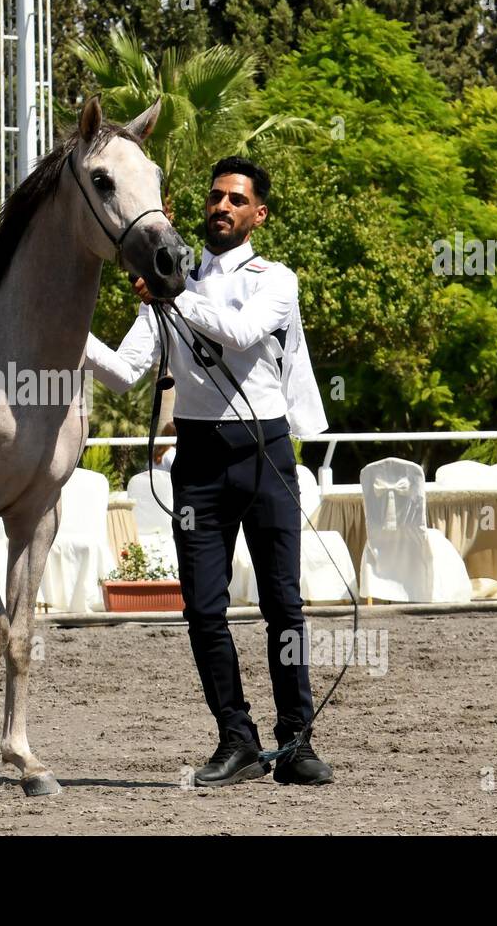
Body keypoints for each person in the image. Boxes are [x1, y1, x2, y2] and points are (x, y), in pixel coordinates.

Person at [84, 156, 333, 787]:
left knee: (283, 604)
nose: (221, 206)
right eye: (215, 197)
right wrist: (62, 332)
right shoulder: (176, 283)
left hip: (265, 453)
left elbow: (243, 332)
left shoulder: (275, 278)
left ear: (258, 215)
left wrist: (173, 293)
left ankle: (297, 739)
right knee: (203, 610)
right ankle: (236, 738)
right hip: (196, 460)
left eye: (236, 200)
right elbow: (122, 371)